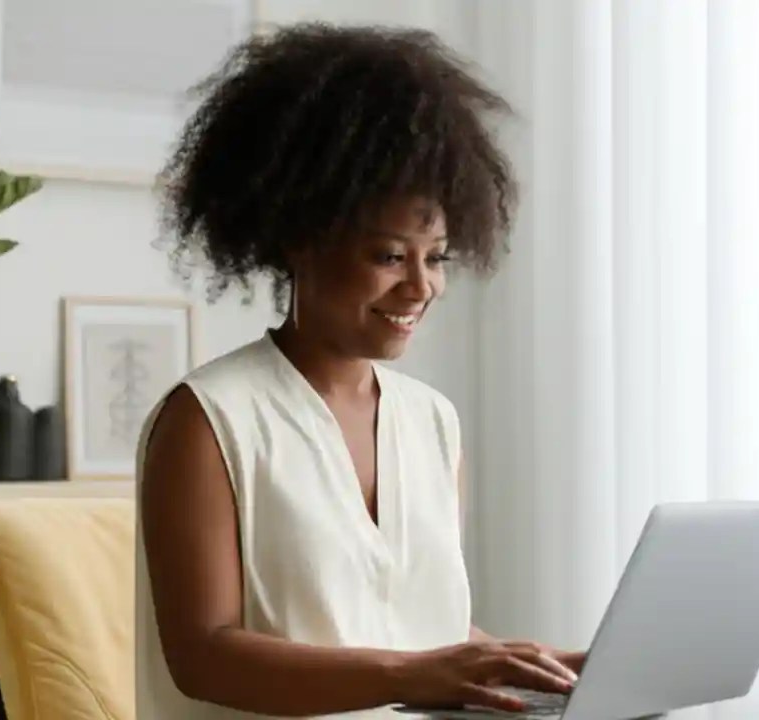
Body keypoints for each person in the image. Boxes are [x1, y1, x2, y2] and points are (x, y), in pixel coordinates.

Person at [140, 23, 584, 719]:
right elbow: (203, 656)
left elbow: (407, 630)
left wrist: (532, 667)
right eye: (388, 256)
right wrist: (413, 675)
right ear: (299, 240)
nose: (421, 287)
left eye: (435, 257)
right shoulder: (208, 420)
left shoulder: (432, 422)